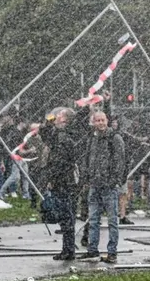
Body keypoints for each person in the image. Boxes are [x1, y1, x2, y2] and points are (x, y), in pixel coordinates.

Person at [78, 106, 128, 264]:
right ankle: (92, 249)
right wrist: (86, 178)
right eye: (97, 120)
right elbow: (87, 159)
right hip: (94, 183)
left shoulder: (115, 138)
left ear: (107, 121)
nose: (100, 123)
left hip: (108, 185)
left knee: (112, 220)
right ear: (93, 122)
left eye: (102, 120)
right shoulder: (91, 138)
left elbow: (120, 161)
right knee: (93, 220)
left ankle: (112, 252)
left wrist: (114, 180)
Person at [39, 108, 81, 260]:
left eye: (59, 115)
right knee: (65, 215)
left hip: (63, 181)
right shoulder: (56, 134)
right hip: (62, 180)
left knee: (66, 214)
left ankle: (69, 250)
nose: (56, 117)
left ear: (64, 119)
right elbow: (44, 133)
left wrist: (53, 179)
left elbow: (60, 161)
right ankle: (67, 249)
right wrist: (48, 120)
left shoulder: (63, 137)